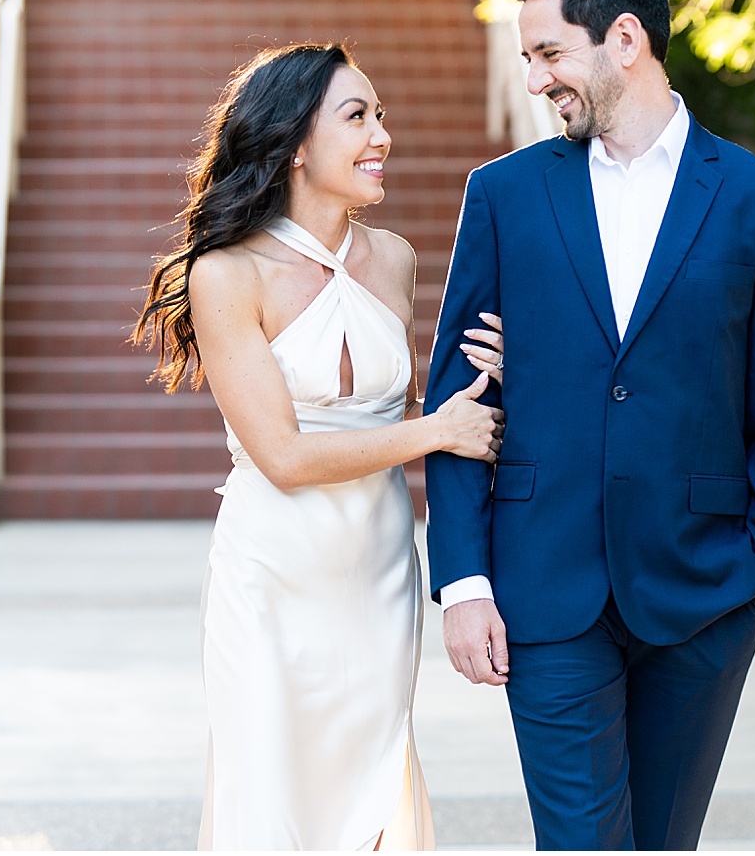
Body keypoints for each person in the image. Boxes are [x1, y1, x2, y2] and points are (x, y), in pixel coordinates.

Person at [423, 0, 755, 851]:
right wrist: (465, 583)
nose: (534, 80)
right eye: (528, 57)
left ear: (625, 39)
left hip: (706, 593)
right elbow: (456, 404)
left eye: (549, 53)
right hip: (543, 589)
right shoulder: (503, 196)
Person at [136, 42, 506, 850]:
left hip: (377, 573)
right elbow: (286, 457)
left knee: (373, 782)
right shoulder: (228, 274)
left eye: (381, 115)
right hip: (272, 576)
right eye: (358, 116)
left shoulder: (396, 260)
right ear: (296, 142)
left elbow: (411, 409)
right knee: (271, 796)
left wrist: (499, 375)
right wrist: (437, 431)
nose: (383, 134)